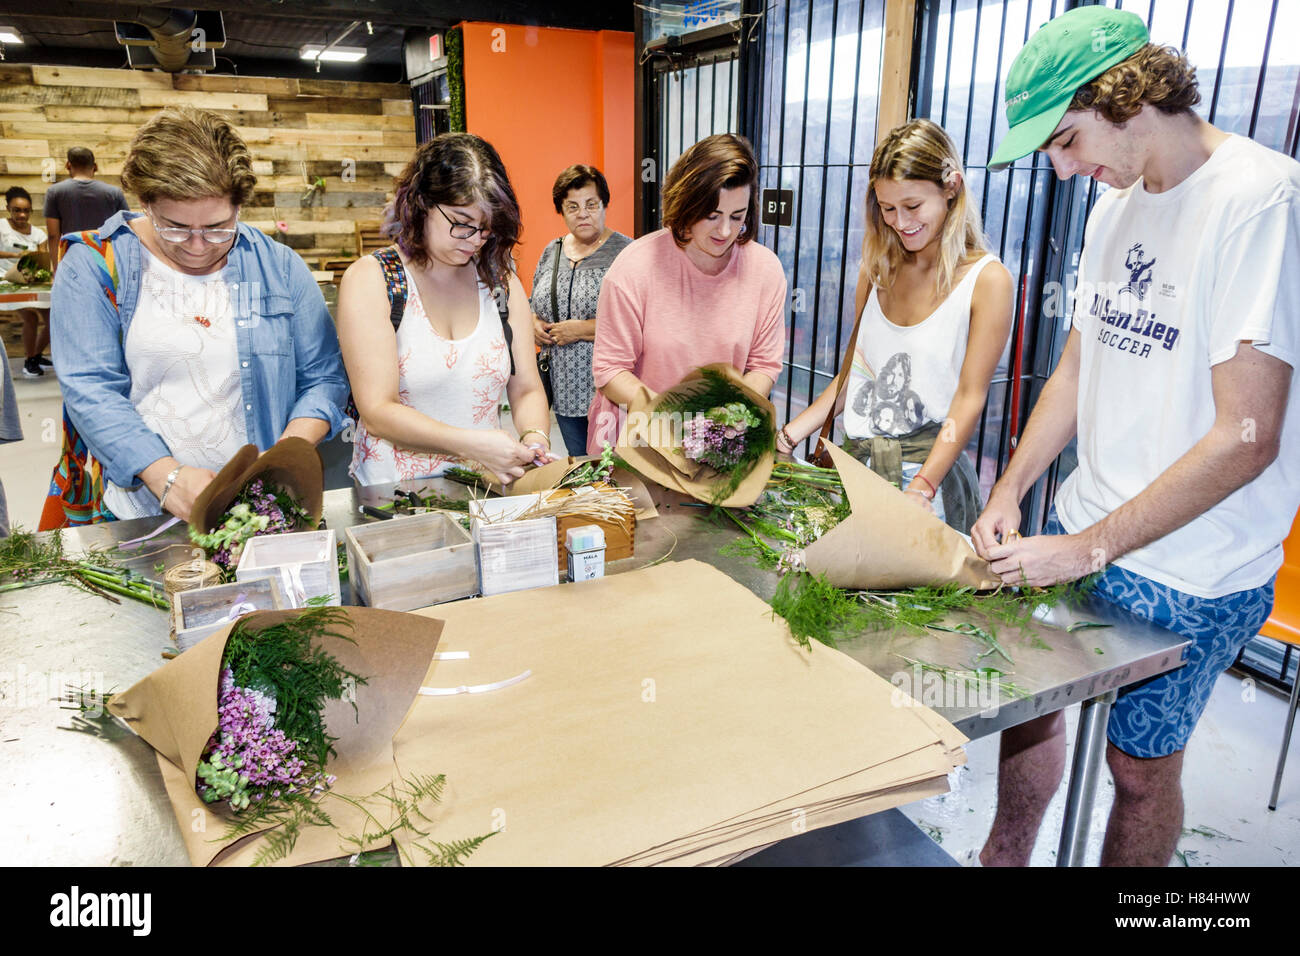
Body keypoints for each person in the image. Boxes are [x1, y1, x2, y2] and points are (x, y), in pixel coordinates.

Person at [973, 6, 1298, 866]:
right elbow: (1077, 371)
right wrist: (1011, 489)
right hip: (1088, 526)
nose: (1065, 167)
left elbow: (1247, 436)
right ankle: (1002, 857)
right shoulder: (1114, 209)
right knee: (1029, 707)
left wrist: (1085, 550)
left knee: (1139, 766)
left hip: (1194, 565)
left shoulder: (1260, 199)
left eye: (1069, 139)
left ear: (1127, 97)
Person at [47, 106, 348, 526]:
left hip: (255, 512)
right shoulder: (94, 266)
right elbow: (91, 388)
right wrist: (164, 476)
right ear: (145, 202)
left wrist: (283, 457)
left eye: (218, 227)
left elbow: (324, 377)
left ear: (239, 207)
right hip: (137, 513)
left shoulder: (279, 267)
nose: (197, 245)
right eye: (175, 227)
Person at [776, 119, 1013, 531]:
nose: (901, 222)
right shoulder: (876, 269)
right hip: (854, 471)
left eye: (913, 206)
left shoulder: (988, 281)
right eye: (888, 208)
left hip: (927, 484)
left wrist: (922, 486)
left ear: (951, 187)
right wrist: (789, 435)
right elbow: (856, 374)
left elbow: (970, 399)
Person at [339, 133, 554, 488]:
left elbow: (527, 388)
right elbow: (377, 410)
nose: (473, 240)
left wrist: (535, 438)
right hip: (394, 493)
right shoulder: (374, 280)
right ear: (421, 202)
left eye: (485, 229)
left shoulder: (500, 283)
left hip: (485, 486)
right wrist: (472, 446)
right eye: (461, 222)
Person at [588, 133, 786, 453]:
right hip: (637, 442)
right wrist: (671, 419)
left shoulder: (764, 271)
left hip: (720, 445)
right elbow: (610, 370)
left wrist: (728, 418)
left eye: (737, 217)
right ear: (687, 204)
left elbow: (764, 365)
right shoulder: (634, 268)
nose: (724, 231)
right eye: (712, 216)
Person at [530, 164, 631, 456]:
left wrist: (582, 329)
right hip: (563, 386)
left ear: (604, 205)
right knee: (580, 466)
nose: (582, 213)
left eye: (591, 204)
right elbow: (532, 302)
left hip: (610, 389)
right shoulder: (553, 250)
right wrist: (534, 323)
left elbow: (642, 321)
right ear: (561, 210)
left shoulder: (627, 253)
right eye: (572, 206)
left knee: (613, 470)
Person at [43, 147, 130, 277]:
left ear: (68, 165)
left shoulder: (54, 192)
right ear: (95, 166)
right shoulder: (114, 193)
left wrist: (56, 269)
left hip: (72, 260)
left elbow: (53, 235)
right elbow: (127, 229)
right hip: (106, 261)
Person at [1, 186, 51, 378]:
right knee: (30, 317)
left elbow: (42, 255)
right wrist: (17, 254)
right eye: (16, 210)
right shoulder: (1, 227)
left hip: (31, 279)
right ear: (9, 209)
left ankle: (35, 356)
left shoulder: (38, 233)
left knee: (53, 318)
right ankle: (29, 362)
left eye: (25, 211)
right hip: (6, 279)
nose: (21, 215)